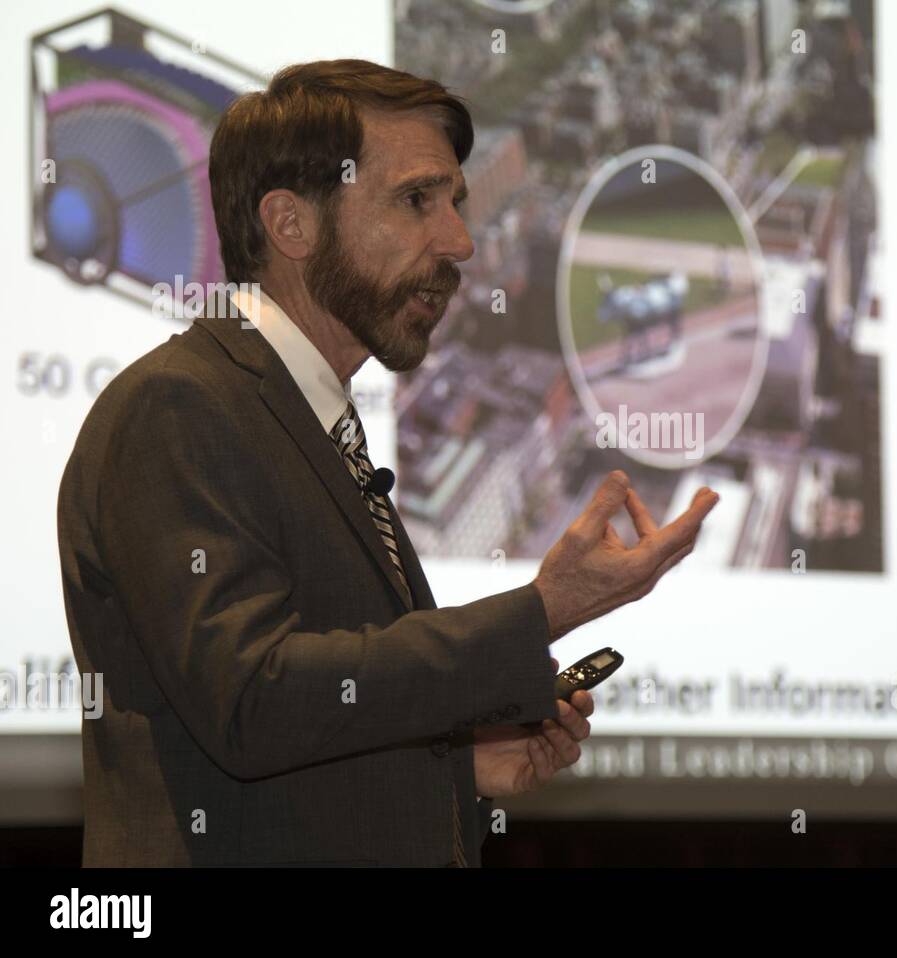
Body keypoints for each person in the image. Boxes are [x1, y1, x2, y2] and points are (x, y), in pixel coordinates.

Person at [55, 59, 718, 867]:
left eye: (456, 205)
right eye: (416, 201)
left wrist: (449, 768)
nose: (461, 243)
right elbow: (249, 702)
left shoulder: (312, 420)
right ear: (290, 225)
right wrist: (541, 610)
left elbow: (305, 728)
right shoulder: (179, 406)